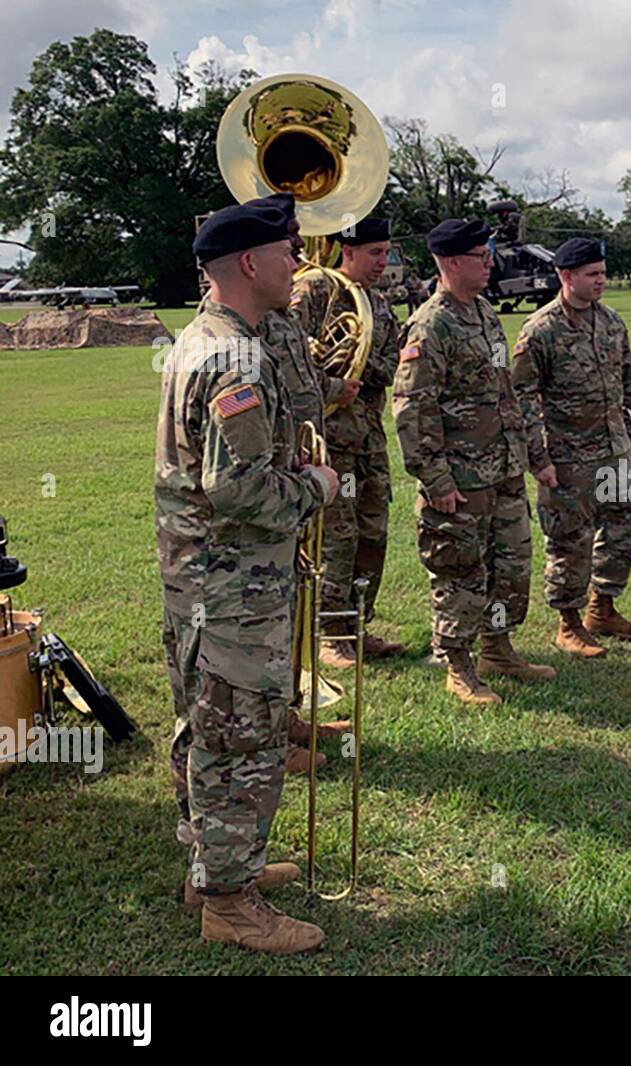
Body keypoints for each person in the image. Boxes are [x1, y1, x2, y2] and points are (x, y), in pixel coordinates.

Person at [158, 196, 340, 952]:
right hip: (234, 589)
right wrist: (317, 490)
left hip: (203, 583)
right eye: (287, 251)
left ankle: (217, 863)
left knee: (206, 728)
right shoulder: (235, 358)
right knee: (244, 741)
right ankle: (229, 905)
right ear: (249, 264)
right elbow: (237, 489)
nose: (298, 263)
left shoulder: (207, 339)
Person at [393, 218, 554, 703]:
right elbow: (412, 406)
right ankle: (457, 662)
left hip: (502, 468)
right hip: (461, 478)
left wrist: (530, 454)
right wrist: (437, 478)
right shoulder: (431, 324)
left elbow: (507, 392)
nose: (490, 264)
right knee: (460, 569)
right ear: (449, 262)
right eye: (479, 257)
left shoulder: (484, 313)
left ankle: (498, 648)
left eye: (487, 256)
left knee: (509, 566)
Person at [512, 237, 631, 657]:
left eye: (603, 274)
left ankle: (602, 608)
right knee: (570, 539)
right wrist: (539, 458)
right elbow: (522, 397)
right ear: (565, 276)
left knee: (621, 529)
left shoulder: (611, 322)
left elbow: (629, 377)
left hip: (615, 448)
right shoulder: (541, 330)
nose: (601, 282)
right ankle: (568, 623)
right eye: (592, 275)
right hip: (568, 457)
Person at [293, 217, 406, 668]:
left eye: (386, 253)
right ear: (349, 251)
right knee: (335, 536)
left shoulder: (379, 305)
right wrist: (332, 384)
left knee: (371, 530)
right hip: (326, 439)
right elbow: (288, 360)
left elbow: (391, 364)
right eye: (375, 253)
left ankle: (357, 625)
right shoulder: (316, 290)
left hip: (367, 437)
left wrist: (361, 369)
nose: (382, 262)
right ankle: (326, 632)